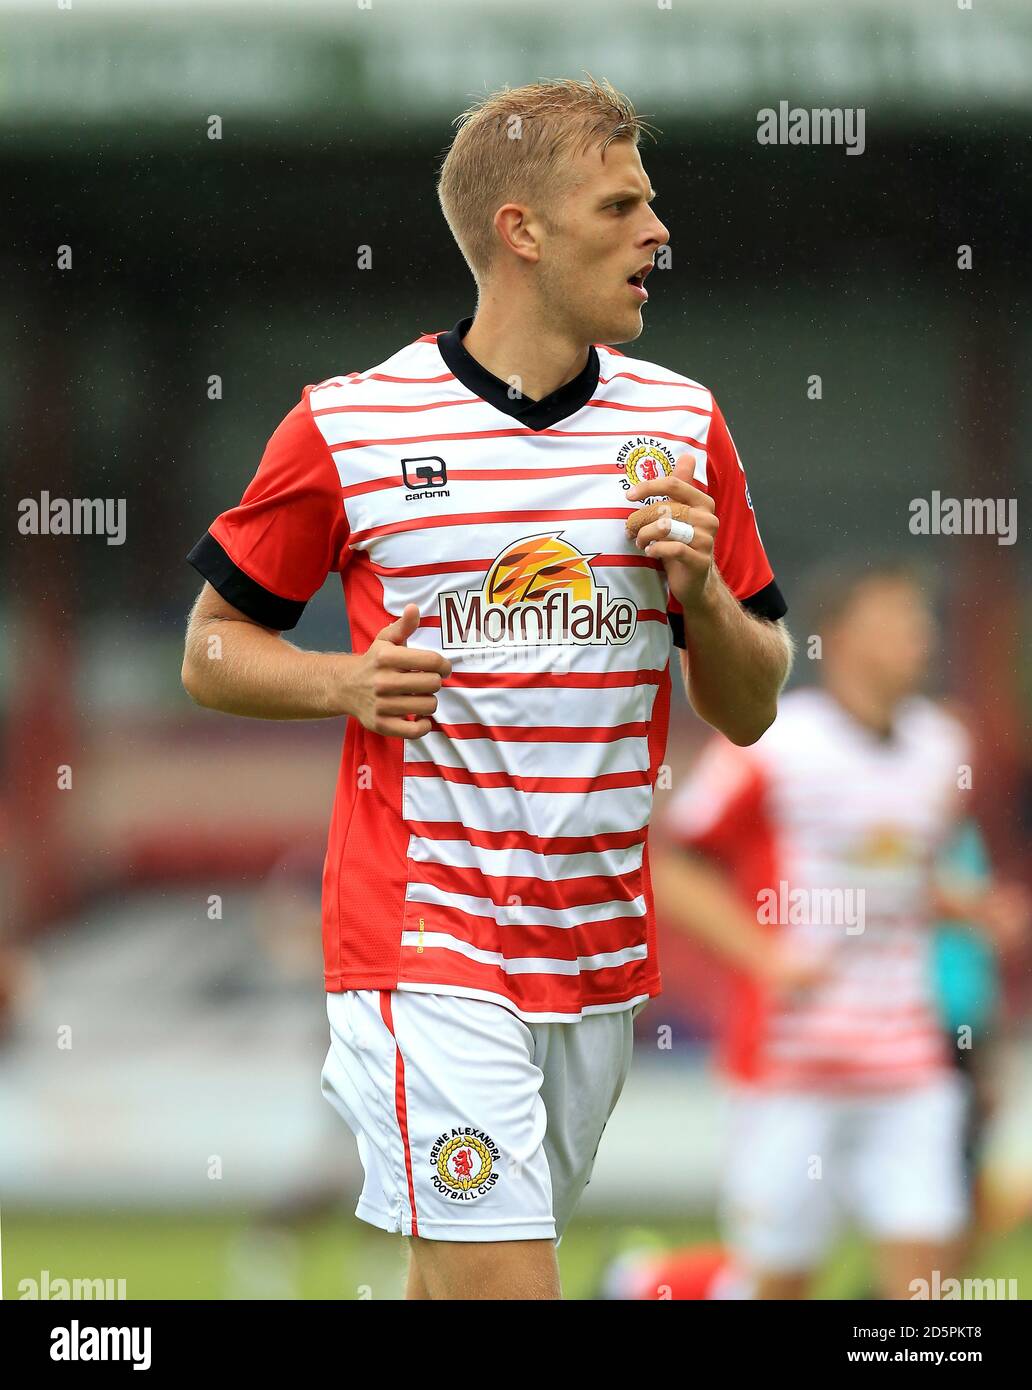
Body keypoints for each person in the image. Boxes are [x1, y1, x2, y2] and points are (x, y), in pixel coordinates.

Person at [181, 76, 792, 1300]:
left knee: (459, 1277)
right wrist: (342, 681)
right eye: (622, 206)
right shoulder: (350, 425)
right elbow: (210, 648)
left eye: (652, 204)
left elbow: (753, 702)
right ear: (522, 230)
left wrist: (706, 597)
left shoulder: (683, 422)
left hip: (598, 954)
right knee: (508, 1285)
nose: (657, 232)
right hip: (424, 944)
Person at [655, 558, 1028, 1299]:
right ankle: (645, 1281)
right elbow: (674, 869)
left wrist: (967, 907)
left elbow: (896, 876)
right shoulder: (774, 745)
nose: (920, 637)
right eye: (897, 621)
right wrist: (766, 957)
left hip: (906, 1062)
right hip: (793, 1062)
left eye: (921, 622)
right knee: (781, 1282)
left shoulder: (939, 746)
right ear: (842, 638)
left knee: (927, 1289)